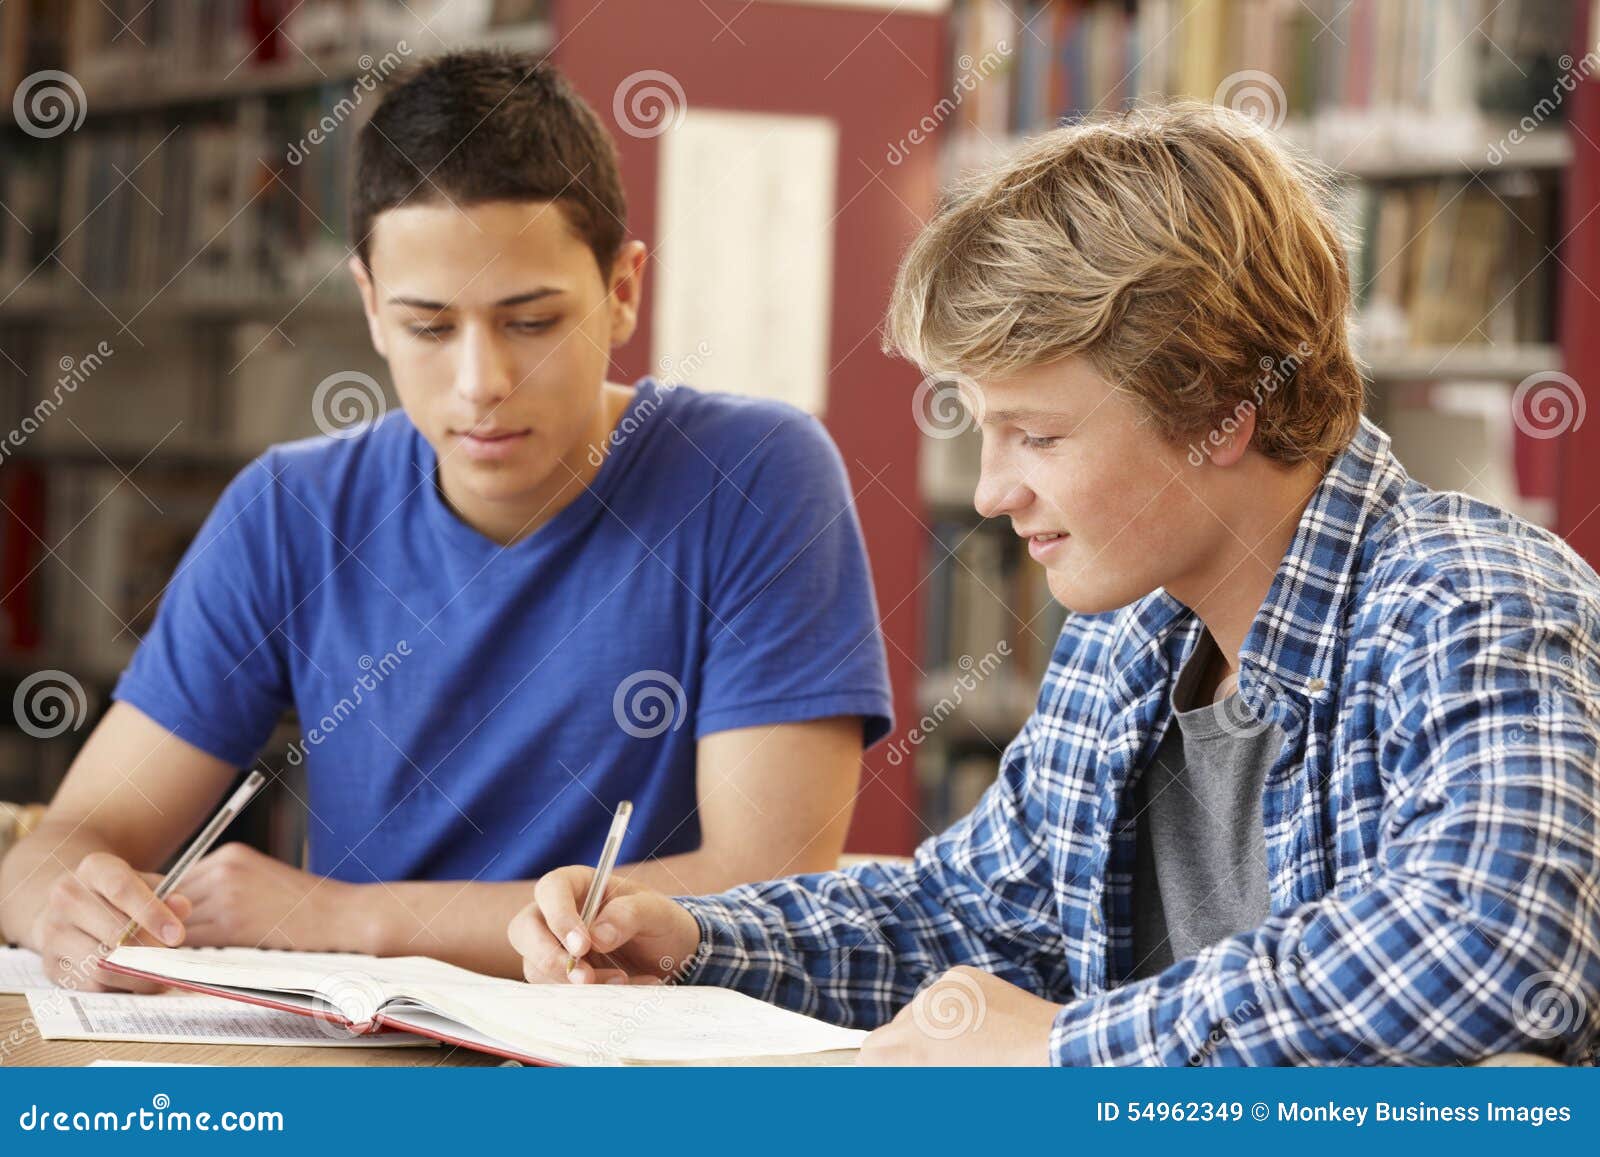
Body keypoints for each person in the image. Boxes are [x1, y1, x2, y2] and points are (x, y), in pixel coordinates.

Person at [510, 101, 1600, 1066]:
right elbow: (975, 917)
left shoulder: (1470, 599)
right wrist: (698, 937)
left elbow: (1492, 941)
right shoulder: (1128, 633)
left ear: (1220, 408)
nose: (990, 493)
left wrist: (1063, 1045)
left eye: (1035, 435)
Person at [0, 53, 892, 986]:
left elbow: (766, 887)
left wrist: (342, 918)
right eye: (430, 327)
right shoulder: (291, 510)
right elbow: (68, 837)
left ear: (623, 291)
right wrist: (64, 905)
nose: (481, 384)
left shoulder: (755, 474)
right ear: (372, 309)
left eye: (532, 322)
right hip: (362, 1064)